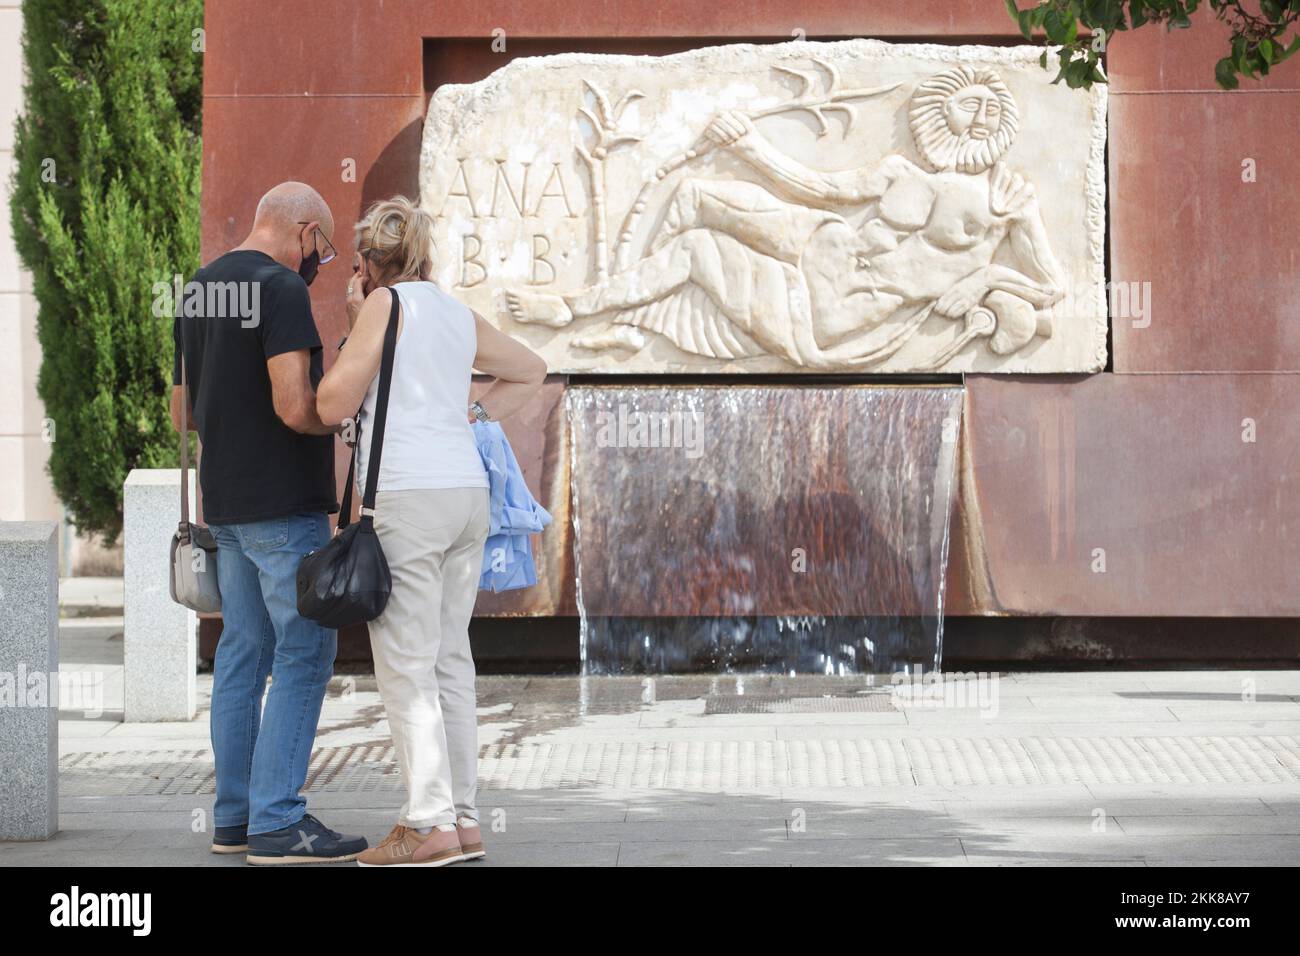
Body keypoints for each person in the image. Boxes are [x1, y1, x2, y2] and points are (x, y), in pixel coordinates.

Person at [317, 196, 546, 867]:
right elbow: (530, 369)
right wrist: (467, 410)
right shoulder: (453, 311)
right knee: (450, 659)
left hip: (410, 499)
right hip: (465, 496)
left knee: (406, 666)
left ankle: (426, 823)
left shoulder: (384, 308)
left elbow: (333, 403)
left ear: (369, 263)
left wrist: (355, 323)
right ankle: (464, 818)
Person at [171, 181, 368, 865]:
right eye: (324, 245)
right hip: (282, 507)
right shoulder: (281, 290)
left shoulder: (199, 289)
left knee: (241, 653)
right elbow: (294, 406)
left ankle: (234, 819)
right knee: (305, 653)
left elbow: (181, 414)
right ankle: (279, 822)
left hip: (222, 507)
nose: (321, 258)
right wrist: (335, 414)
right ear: (305, 230)